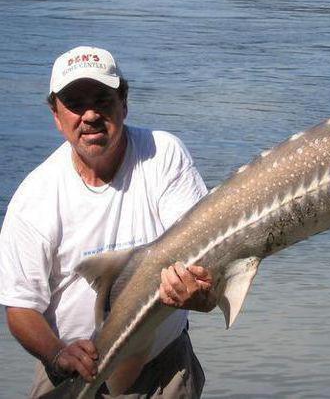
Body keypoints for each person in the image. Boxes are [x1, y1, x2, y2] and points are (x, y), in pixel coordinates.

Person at [0, 46, 217, 398]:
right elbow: (22, 307)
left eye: (102, 99)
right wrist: (57, 354)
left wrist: (201, 290)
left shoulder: (163, 155)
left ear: (124, 102)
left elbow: (203, 254)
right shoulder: (34, 197)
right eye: (74, 103)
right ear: (56, 115)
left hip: (164, 369)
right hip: (70, 370)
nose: (89, 115)